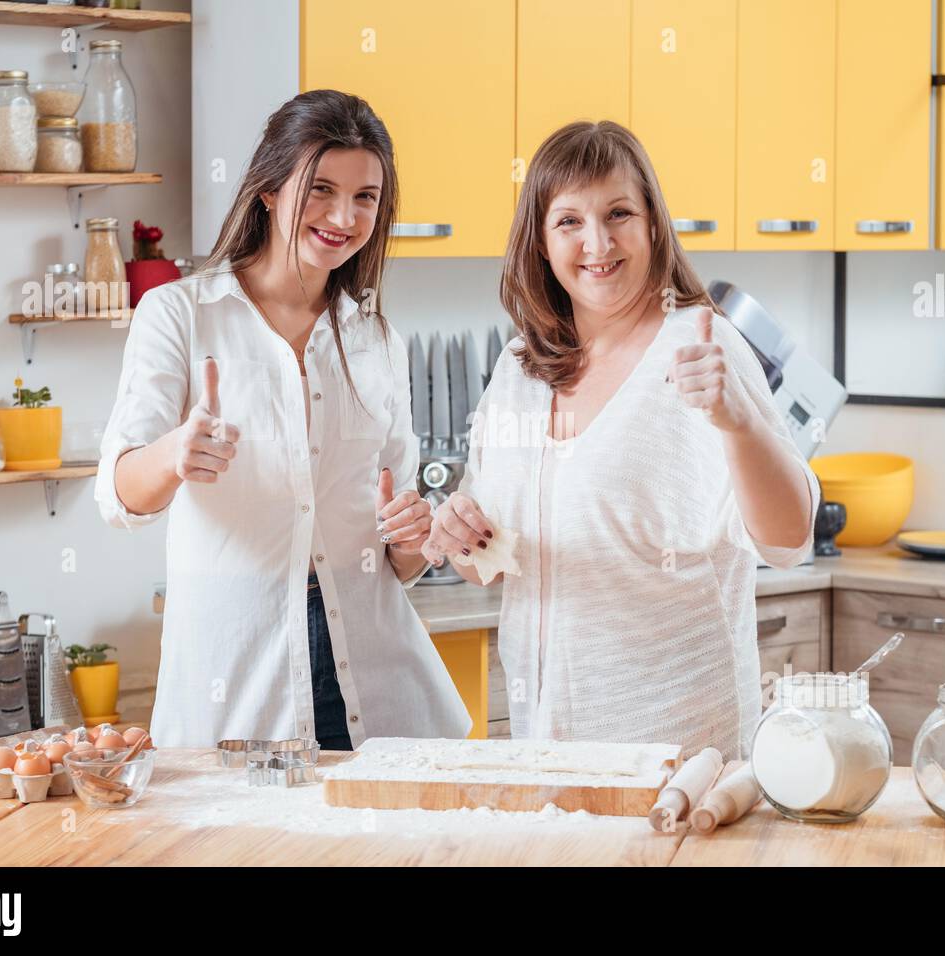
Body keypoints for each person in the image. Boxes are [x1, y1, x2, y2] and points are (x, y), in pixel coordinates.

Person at [423, 121, 819, 759]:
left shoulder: (701, 347)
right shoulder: (520, 370)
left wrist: (737, 421)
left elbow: (789, 540)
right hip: (546, 752)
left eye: (618, 214)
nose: (597, 243)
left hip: (681, 754)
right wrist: (457, 534)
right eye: (569, 222)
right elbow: (487, 561)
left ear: (653, 225)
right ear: (542, 242)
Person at [96, 90, 470, 749]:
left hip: (381, 692)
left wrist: (413, 534)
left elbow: (399, 557)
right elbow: (119, 496)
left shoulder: (377, 339)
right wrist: (174, 453)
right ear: (269, 189)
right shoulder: (180, 316)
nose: (342, 216)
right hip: (240, 687)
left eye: (365, 198)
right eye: (320, 189)